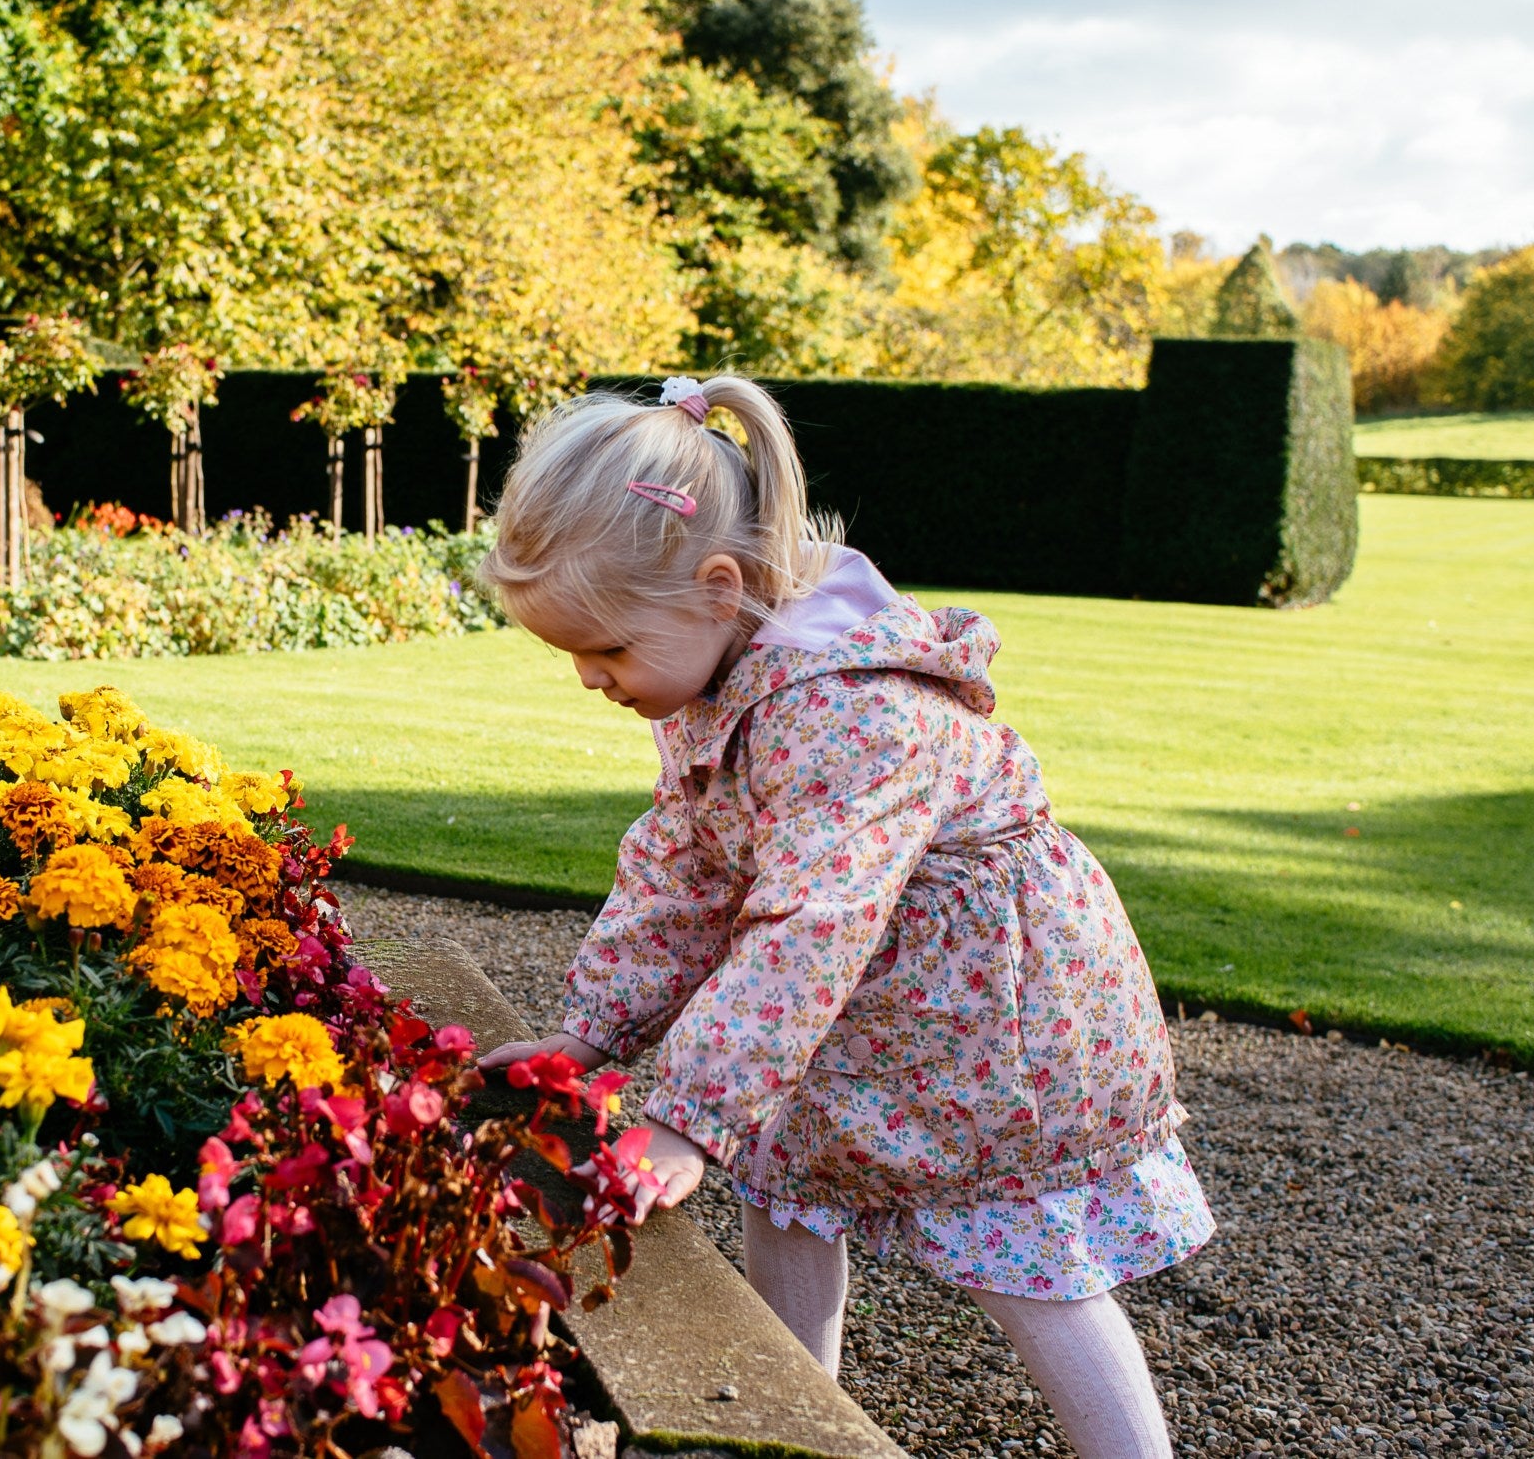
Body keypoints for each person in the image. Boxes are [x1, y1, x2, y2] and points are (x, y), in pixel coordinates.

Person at [474, 375, 1209, 1459]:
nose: (591, 678)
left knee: (1027, 1250)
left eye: (609, 649)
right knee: (789, 1191)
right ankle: (796, 1428)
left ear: (719, 588)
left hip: (989, 1023)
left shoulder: (848, 711)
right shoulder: (720, 671)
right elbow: (681, 872)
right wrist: (589, 1035)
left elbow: (811, 922)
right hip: (852, 1004)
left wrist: (689, 1114)